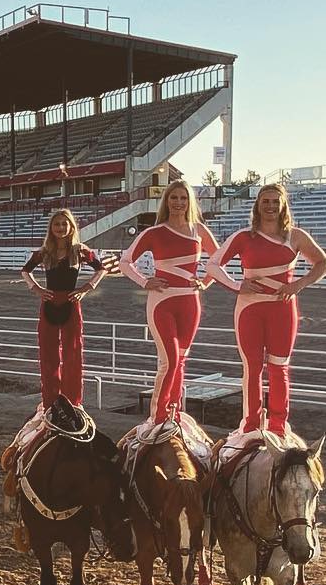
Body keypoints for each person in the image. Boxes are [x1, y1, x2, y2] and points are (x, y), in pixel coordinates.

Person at [207, 183, 326, 441]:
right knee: (252, 368)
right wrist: (236, 285)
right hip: (249, 309)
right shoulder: (244, 236)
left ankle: (278, 425)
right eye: (266, 201)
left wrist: (298, 284)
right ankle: (251, 425)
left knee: (279, 367)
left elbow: (323, 263)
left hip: (283, 310)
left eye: (276, 201)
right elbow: (212, 265)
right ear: (257, 205)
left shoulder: (295, 236)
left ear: (283, 205)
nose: (271, 206)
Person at [118, 180, 219, 424]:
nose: (178, 203)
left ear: (190, 202)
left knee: (181, 360)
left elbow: (218, 263)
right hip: (162, 302)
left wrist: (205, 282)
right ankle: (159, 417)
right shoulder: (153, 232)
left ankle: (174, 412)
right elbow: (124, 262)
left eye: (183, 198)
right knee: (170, 361)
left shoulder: (199, 231)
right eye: (174, 198)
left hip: (190, 304)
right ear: (166, 201)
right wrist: (145, 282)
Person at [20, 209, 106, 414]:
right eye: (57, 224)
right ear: (51, 228)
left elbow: (101, 269)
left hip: (71, 303)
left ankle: (72, 402)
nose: (60, 228)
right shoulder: (45, 251)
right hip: (49, 303)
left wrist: (87, 288)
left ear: (71, 227)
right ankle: (50, 402)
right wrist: (36, 289)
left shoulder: (80, 250)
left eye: (64, 224)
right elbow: (25, 270)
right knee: (48, 355)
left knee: (73, 354)